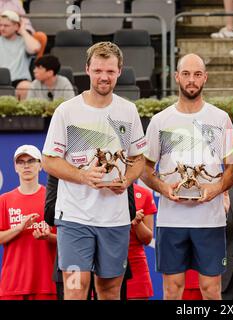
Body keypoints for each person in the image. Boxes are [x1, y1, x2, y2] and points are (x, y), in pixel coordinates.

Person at [41, 42, 147, 300]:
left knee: (110, 290)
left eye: (110, 71)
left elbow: (139, 159)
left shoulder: (128, 111)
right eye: (98, 70)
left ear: (119, 71)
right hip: (75, 218)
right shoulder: (67, 111)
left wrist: (127, 180)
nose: (104, 77)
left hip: (116, 220)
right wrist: (82, 176)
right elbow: (48, 161)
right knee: (76, 287)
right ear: (87, 69)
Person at [140, 53, 233, 300]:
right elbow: (144, 167)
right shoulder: (160, 121)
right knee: (172, 290)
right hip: (171, 220)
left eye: (196, 74)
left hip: (210, 220)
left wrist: (216, 190)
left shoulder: (221, 118)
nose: (191, 80)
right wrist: (163, 187)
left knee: (211, 290)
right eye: (186, 74)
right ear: (176, 77)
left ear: (205, 78)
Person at [0, 145, 57, 300]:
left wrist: (48, 237)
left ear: (40, 166)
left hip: (46, 284)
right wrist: (18, 228)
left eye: (31, 160)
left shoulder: (53, 200)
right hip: (13, 285)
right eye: (21, 162)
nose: (26, 165)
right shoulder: (4, 200)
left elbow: (67, 239)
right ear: (15, 167)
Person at [0, 10, 41, 100]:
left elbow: (35, 48)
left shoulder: (24, 41)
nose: (2, 28)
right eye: (0, 25)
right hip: (1, 80)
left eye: (6, 25)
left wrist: (22, 31)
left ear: (16, 26)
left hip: (19, 81)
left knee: (26, 87)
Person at [127, 183, 156, 300]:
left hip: (135, 264)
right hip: (103, 262)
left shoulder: (144, 193)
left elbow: (147, 239)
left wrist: (137, 222)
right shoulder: (96, 191)